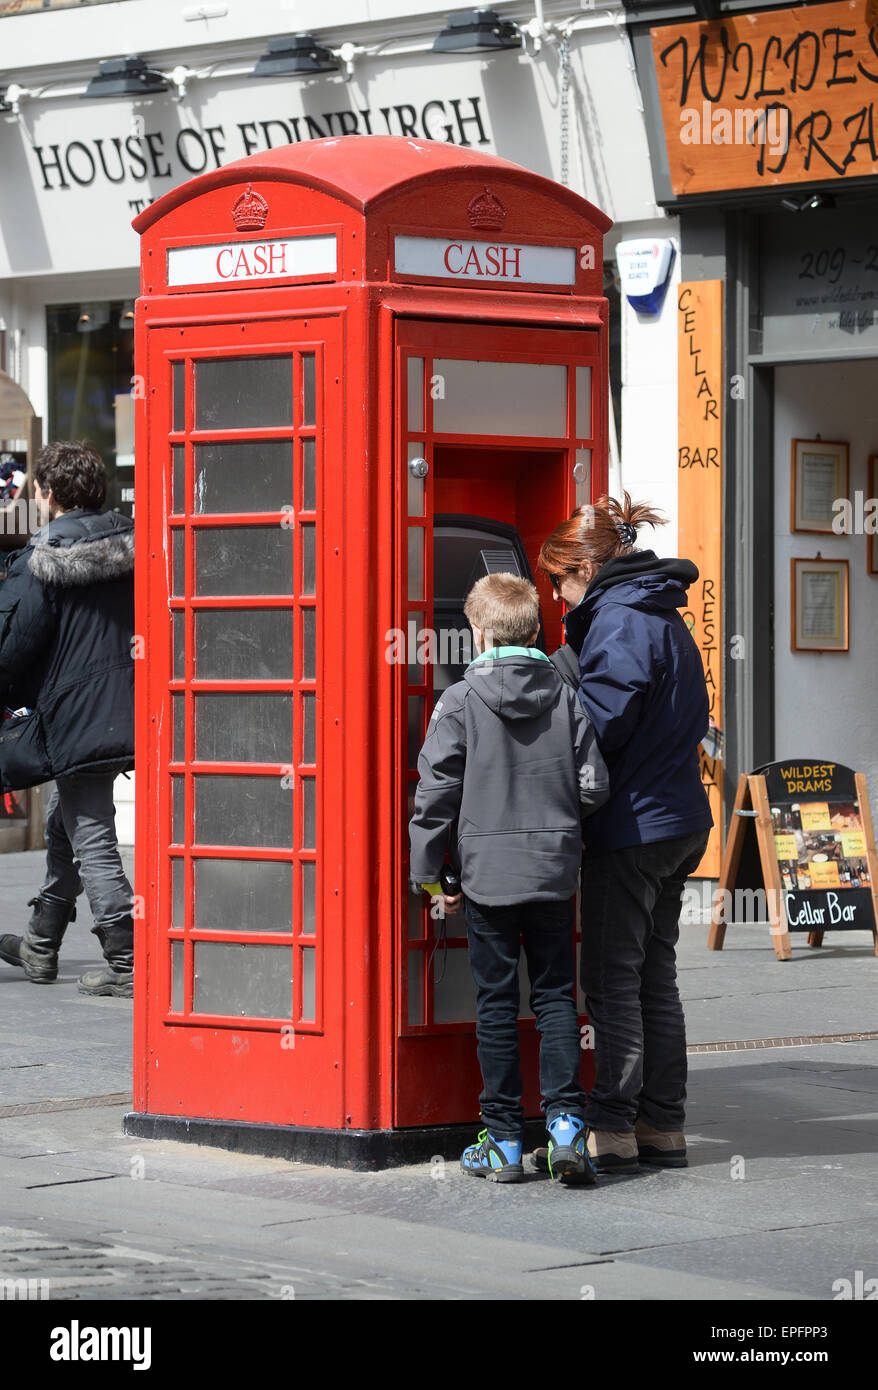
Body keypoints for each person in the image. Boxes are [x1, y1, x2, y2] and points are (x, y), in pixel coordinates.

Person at [409, 573, 609, 1183]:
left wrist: (428, 876)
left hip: (487, 878)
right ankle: (567, 1129)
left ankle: (502, 1141)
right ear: (532, 629)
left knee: (496, 1005)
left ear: (477, 631)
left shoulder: (460, 701)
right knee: (554, 1000)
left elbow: (435, 792)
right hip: (553, 874)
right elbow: (594, 785)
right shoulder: (566, 693)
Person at [536, 493, 712, 1173]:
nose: (556, 596)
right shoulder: (659, 613)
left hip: (633, 827)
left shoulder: (617, 620)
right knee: (654, 978)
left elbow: (598, 728)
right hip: (680, 819)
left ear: (585, 565)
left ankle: (612, 1125)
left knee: (613, 982)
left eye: (559, 579)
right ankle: (661, 1126)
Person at [0, 441, 135, 997]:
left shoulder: (43, 560)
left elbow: (13, 648)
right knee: (67, 816)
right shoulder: (133, 549)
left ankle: (126, 959)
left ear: (51, 495)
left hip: (76, 714)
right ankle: (42, 939)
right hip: (126, 704)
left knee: (92, 832)